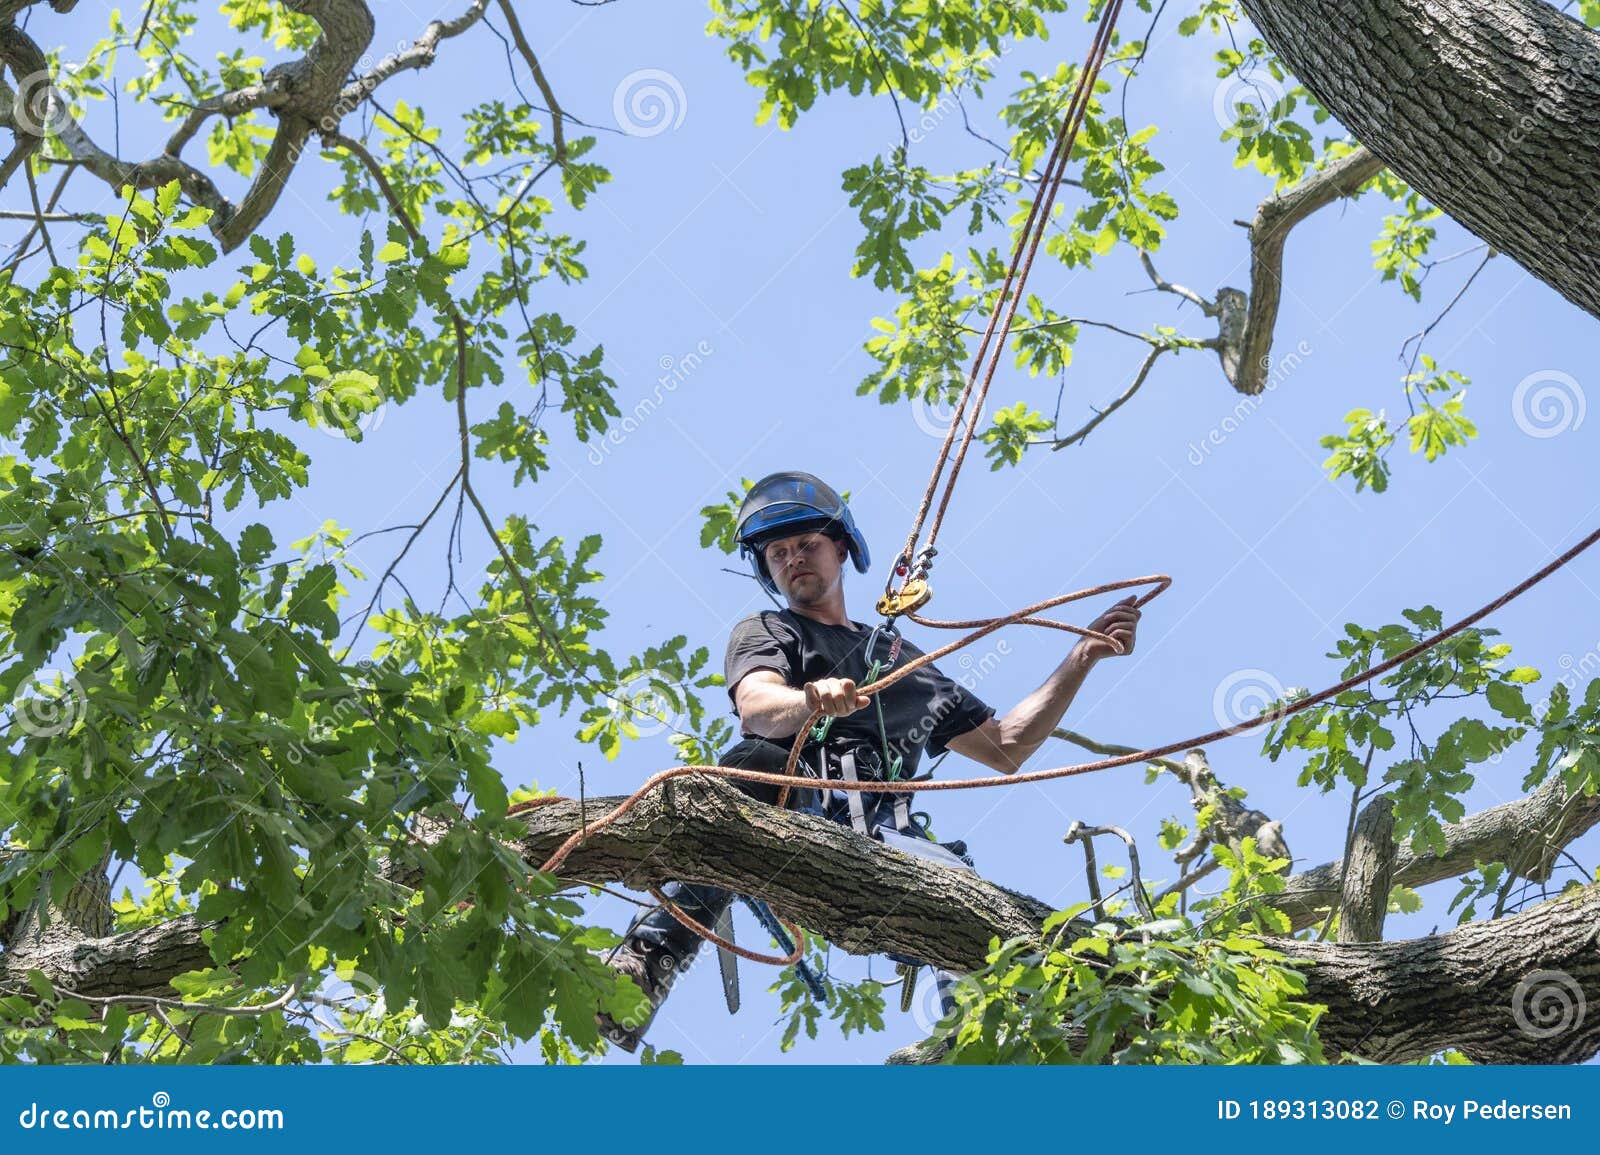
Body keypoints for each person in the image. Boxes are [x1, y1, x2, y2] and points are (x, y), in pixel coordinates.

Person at [596, 470, 1140, 1052]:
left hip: (886, 842)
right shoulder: (771, 630)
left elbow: (1006, 746)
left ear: (842, 548)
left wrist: (1081, 658)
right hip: (792, 818)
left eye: (807, 543)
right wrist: (810, 698)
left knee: (958, 882)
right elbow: (756, 707)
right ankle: (650, 957)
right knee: (756, 759)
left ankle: (981, 1041)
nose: (793, 558)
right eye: (778, 552)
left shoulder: (904, 661)